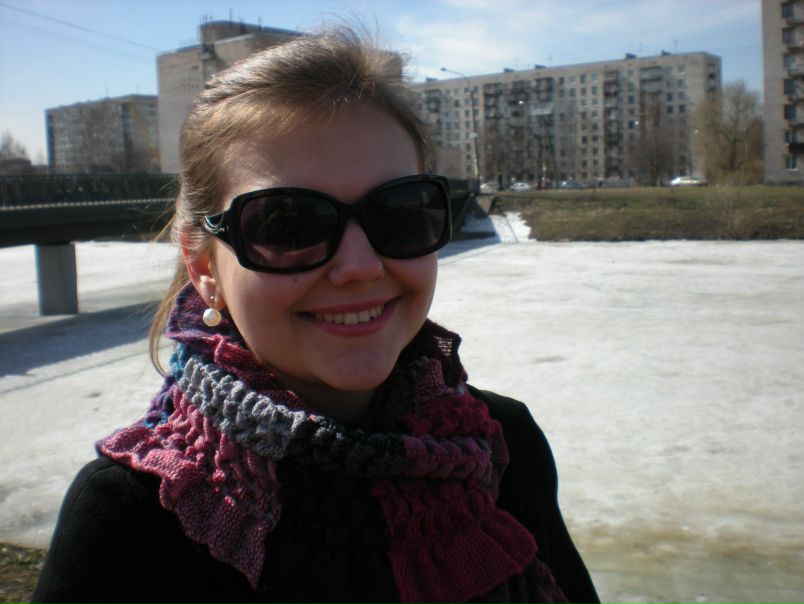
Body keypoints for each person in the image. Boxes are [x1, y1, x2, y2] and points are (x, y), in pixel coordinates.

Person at [33, 26, 599, 604]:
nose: (360, 266)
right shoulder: (131, 518)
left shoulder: (504, 445)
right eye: (288, 224)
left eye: (400, 211)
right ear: (204, 268)